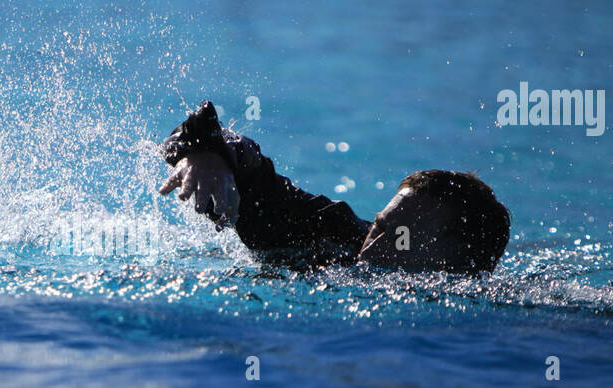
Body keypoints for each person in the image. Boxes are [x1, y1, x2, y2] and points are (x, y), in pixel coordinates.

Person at [158, 101, 510, 273]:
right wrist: (212, 154)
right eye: (379, 227)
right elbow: (257, 174)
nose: (371, 249)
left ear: (456, 266)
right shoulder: (328, 236)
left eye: (401, 238)